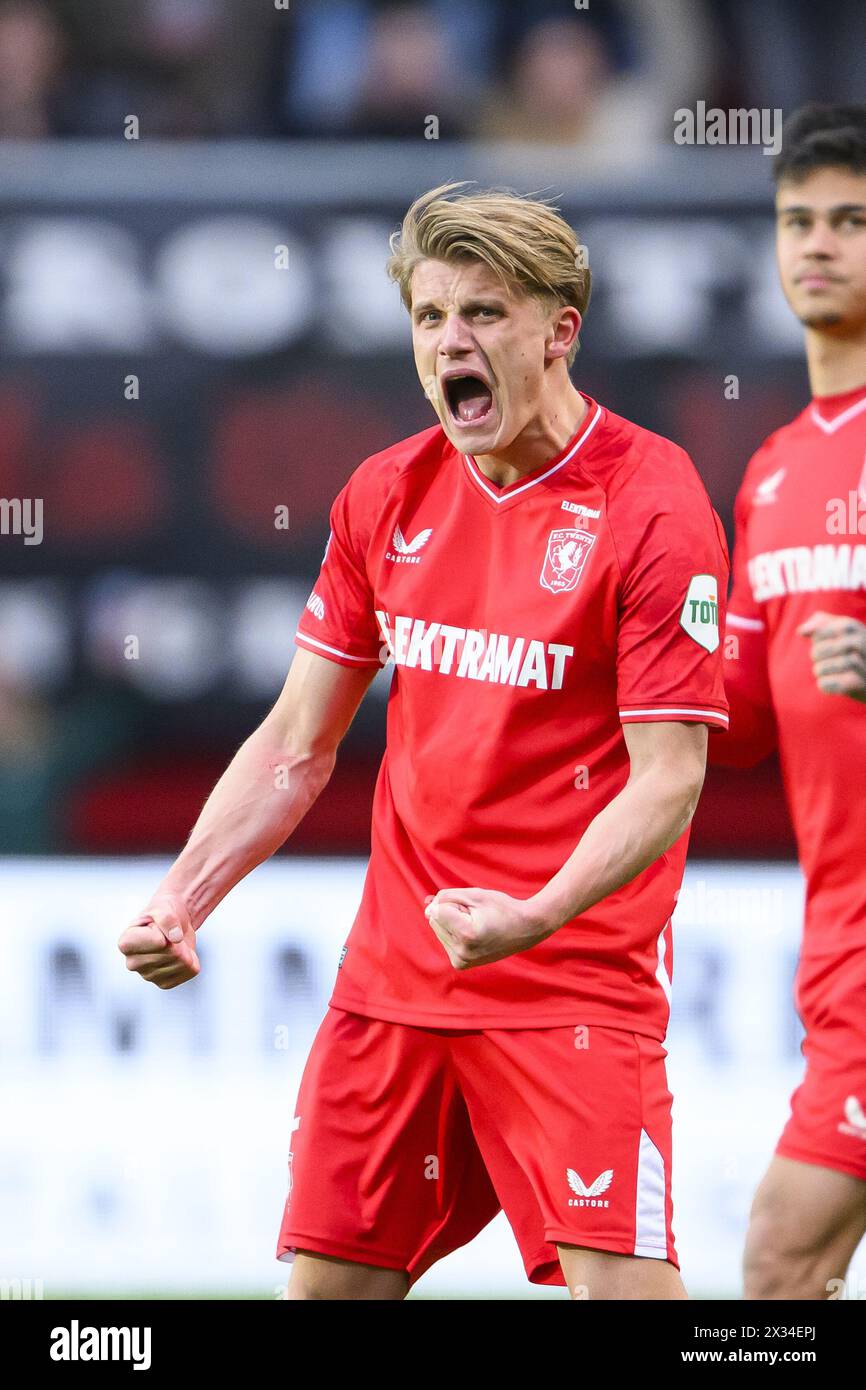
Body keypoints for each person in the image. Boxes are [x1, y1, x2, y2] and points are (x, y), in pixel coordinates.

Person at [118, 182, 729, 1300]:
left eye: (484, 313)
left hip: (568, 991)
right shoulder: (386, 492)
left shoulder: (652, 503)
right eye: (429, 316)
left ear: (559, 332)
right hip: (393, 987)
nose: (451, 341)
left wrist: (532, 914)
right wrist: (182, 898)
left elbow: (667, 782)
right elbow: (296, 743)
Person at [711, 105, 866, 1299]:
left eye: (849, 220)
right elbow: (737, 721)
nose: (816, 243)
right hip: (836, 932)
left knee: (778, 1255)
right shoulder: (769, 471)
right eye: (796, 220)